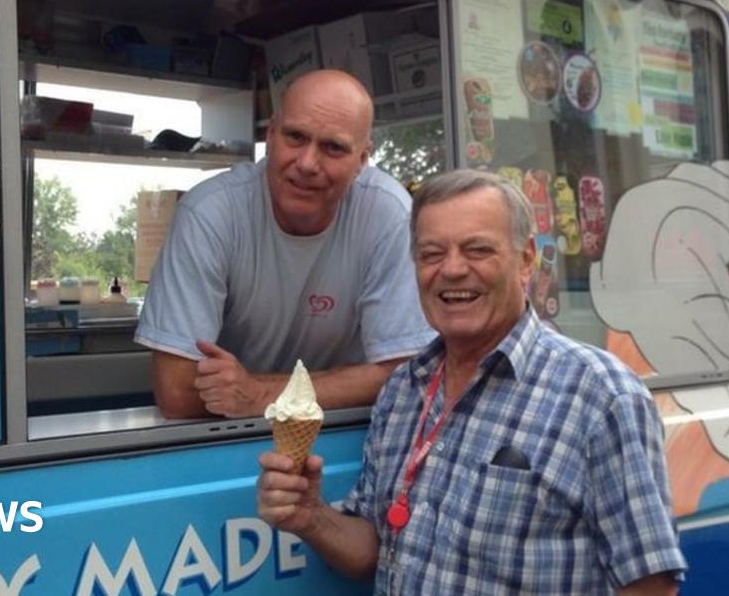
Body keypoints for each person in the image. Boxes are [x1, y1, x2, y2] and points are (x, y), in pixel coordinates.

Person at [257, 170, 686, 595]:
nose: (453, 270)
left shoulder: (601, 396)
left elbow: (649, 584)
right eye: (431, 253)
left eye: (478, 250)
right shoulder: (402, 392)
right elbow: (373, 550)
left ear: (526, 260)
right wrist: (310, 514)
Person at [135, 70, 434, 419]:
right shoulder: (211, 213)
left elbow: (408, 377)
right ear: (271, 135)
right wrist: (348, 383)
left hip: (340, 432)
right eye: (295, 137)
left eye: (333, 147)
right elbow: (177, 391)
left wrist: (258, 394)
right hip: (222, 438)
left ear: (363, 161)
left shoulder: (390, 213)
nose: (308, 164)